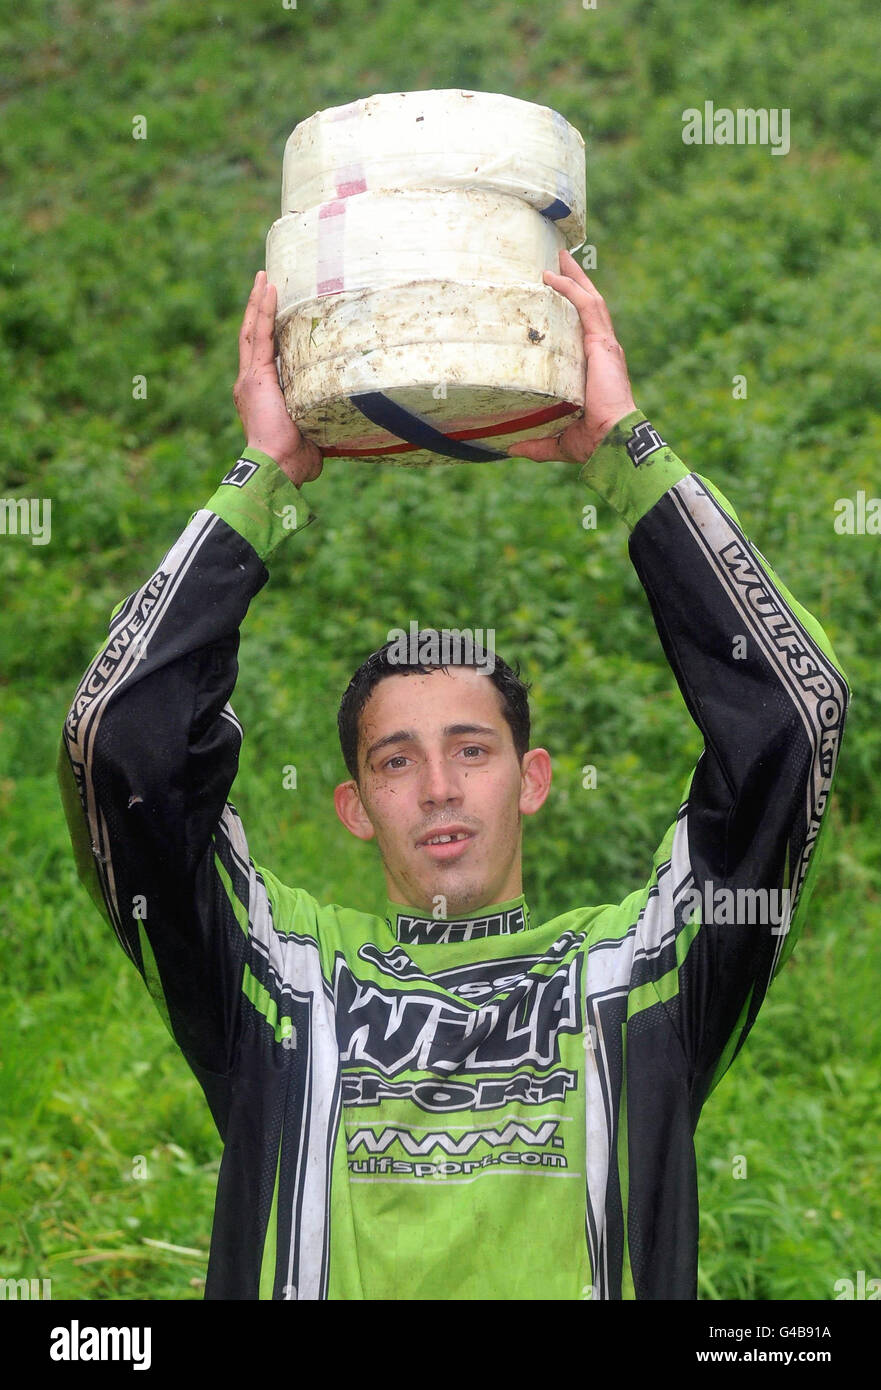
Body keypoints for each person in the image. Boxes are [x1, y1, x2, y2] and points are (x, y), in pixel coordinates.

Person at [58, 253, 851, 1301]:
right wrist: (264, 476)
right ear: (354, 805)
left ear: (530, 779)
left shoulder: (640, 972)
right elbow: (118, 741)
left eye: (470, 748)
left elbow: (796, 716)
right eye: (396, 759)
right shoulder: (279, 982)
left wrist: (622, 446)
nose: (436, 784)